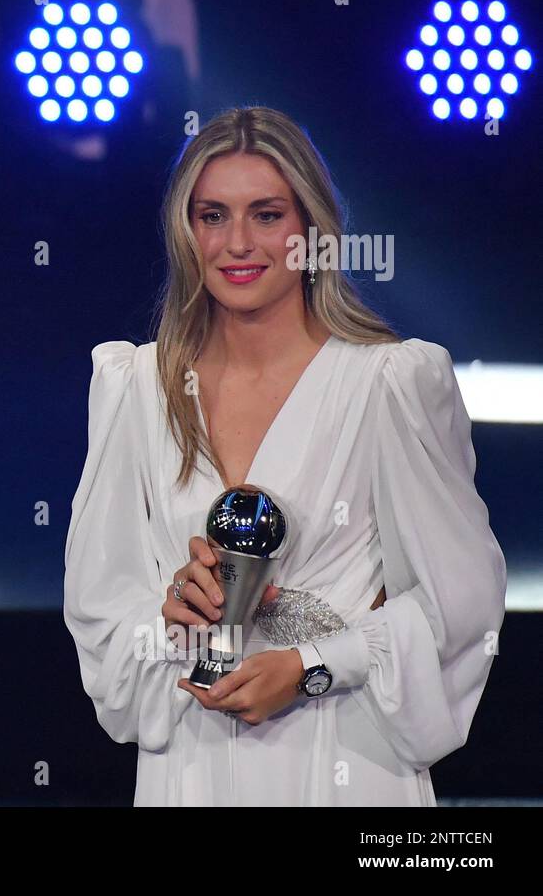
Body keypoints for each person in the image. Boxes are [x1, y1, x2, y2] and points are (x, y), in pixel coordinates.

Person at [63, 105, 507, 806]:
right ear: (187, 231)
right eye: (213, 216)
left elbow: (460, 606)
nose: (237, 243)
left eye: (266, 215)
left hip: (347, 759)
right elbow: (101, 618)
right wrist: (171, 614)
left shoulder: (388, 383)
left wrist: (309, 666)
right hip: (192, 762)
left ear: (312, 231)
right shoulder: (137, 389)